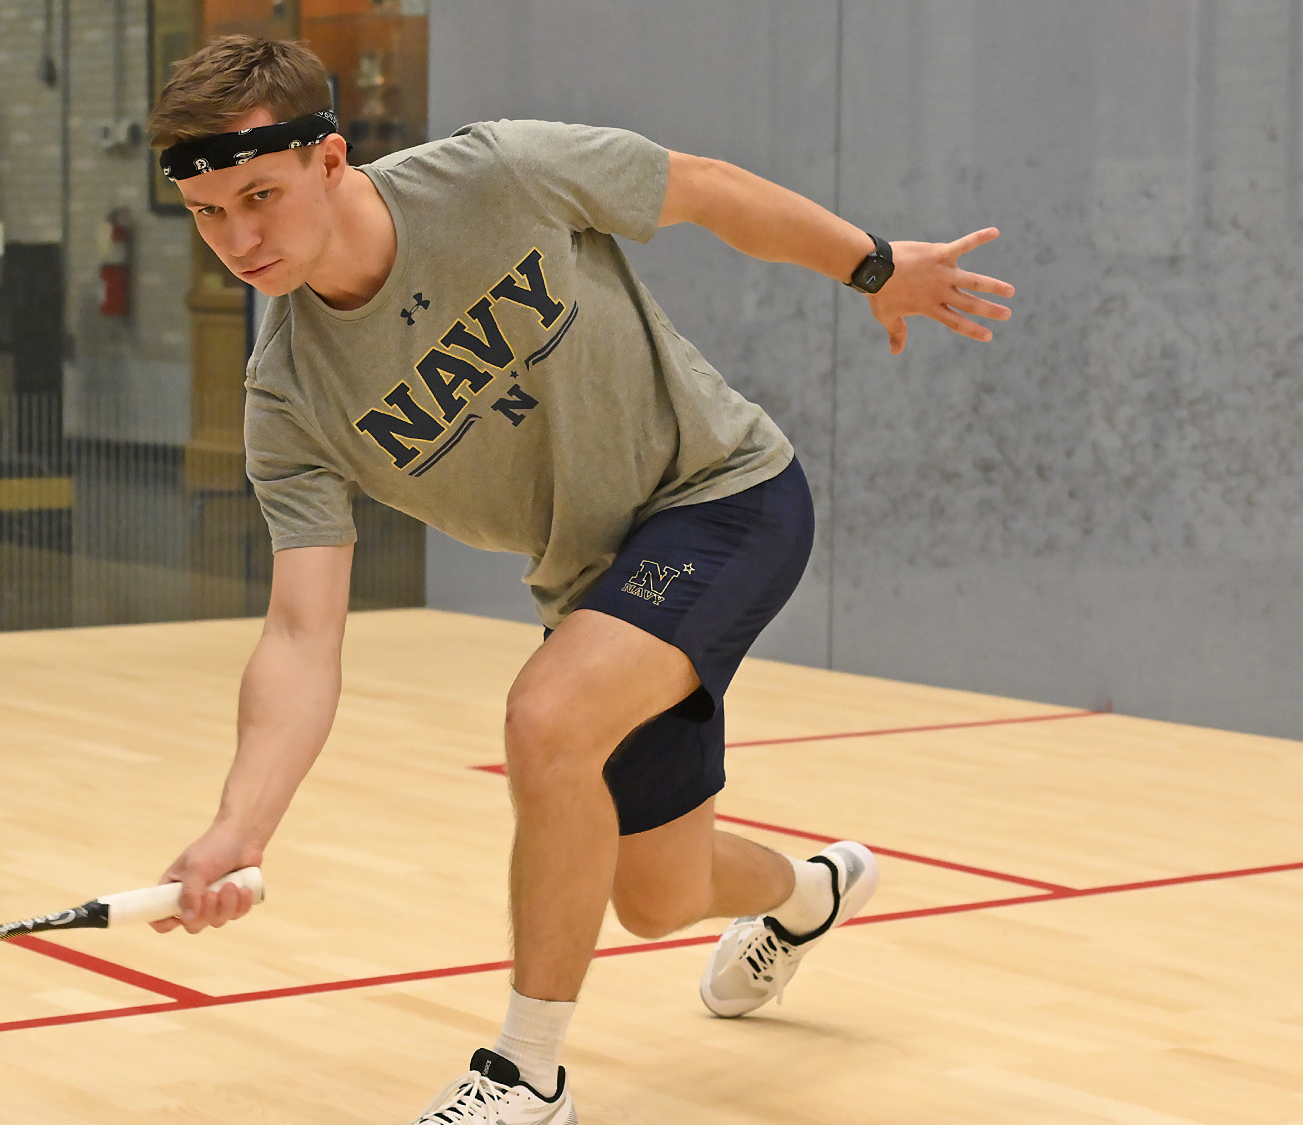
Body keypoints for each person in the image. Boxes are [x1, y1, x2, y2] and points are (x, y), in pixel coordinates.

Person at [144, 35, 1015, 1125]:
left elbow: (704, 190)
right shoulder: (287, 402)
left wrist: (877, 265)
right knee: (655, 896)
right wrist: (240, 821)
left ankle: (524, 1075)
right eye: (209, 213)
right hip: (596, 583)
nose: (238, 238)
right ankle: (810, 894)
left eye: (258, 195)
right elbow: (298, 635)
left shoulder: (497, 173)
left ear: (328, 160)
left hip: (724, 494)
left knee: (545, 716)